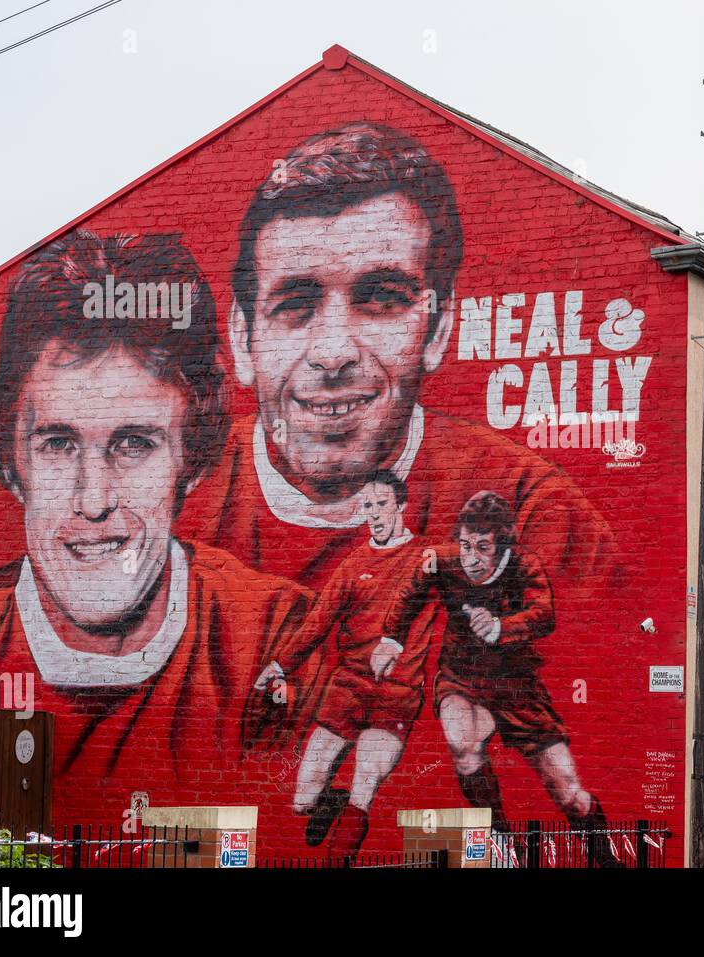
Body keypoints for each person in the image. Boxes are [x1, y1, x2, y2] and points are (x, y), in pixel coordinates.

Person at [176, 120, 613, 592]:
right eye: (295, 306)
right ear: (242, 339)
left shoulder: (534, 512)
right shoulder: (167, 499)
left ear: (437, 329)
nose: (332, 353)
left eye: (382, 301)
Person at [0, 230, 311, 789]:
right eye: (58, 444)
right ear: (11, 463)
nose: (94, 499)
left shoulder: (278, 638)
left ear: (190, 462)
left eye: (134, 444)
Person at [377, 491, 617, 864]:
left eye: (482, 547)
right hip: (462, 678)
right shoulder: (444, 560)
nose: (471, 557)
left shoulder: (524, 566)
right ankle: (502, 837)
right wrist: (391, 639)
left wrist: (501, 627)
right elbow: (412, 588)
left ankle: (605, 857)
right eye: (465, 544)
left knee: (570, 794)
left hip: (517, 688)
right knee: (463, 744)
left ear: (501, 545)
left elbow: (543, 613)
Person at [248, 470, 436, 857]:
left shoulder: (427, 559)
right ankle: (328, 802)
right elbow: (317, 622)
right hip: (347, 688)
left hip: (395, 695)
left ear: (401, 505)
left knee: (364, 785)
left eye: (382, 504)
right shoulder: (353, 566)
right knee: (302, 801)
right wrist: (279, 665)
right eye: (367, 506)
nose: (375, 514)